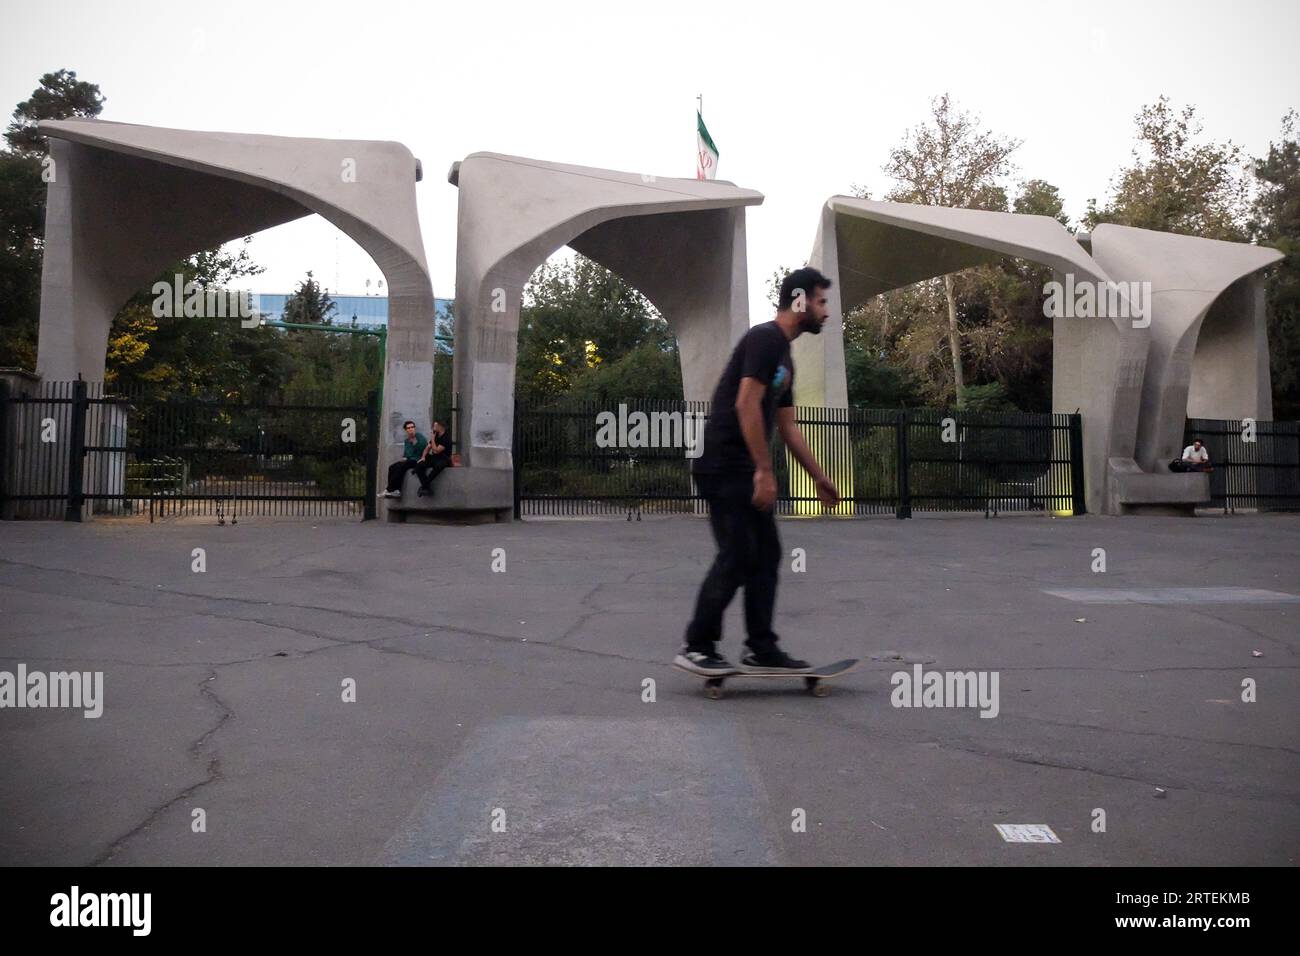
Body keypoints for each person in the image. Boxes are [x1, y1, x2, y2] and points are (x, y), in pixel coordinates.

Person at [675, 267, 840, 678]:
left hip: (744, 468)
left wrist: (819, 476)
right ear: (799, 300)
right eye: (821, 301)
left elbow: (787, 427)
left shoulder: (784, 355)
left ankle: (761, 648)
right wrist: (763, 470)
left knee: (766, 555)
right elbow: (745, 404)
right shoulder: (764, 339)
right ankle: (697, 645)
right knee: (738, 554)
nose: (826, 311)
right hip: (724, 464)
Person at [380, 421, 431, 499]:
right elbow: (407, 453)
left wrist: (414, 441)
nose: (411, 429)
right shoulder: (407, 441)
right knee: (392, 467)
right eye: (408, 428)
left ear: (414, 428)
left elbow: (422, 448)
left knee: (402, 466)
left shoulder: (419, 436)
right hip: (410, 460)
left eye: (412, 427)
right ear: (406, 430)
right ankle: (396, 490)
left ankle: (389, 489)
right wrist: (405, 458)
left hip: (418, 460)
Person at [415, 421, 453, 497]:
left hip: (444, 458)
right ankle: (426, 487)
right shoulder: (436, 435)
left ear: (441, 426)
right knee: (419, 466)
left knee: (438, 466)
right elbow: (428, 448)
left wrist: (432, 438)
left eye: (435, 426)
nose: (433, 428)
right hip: (435, 457)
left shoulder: (446, 438)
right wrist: (423, 457)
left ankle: (424, 486)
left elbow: (436, 450)